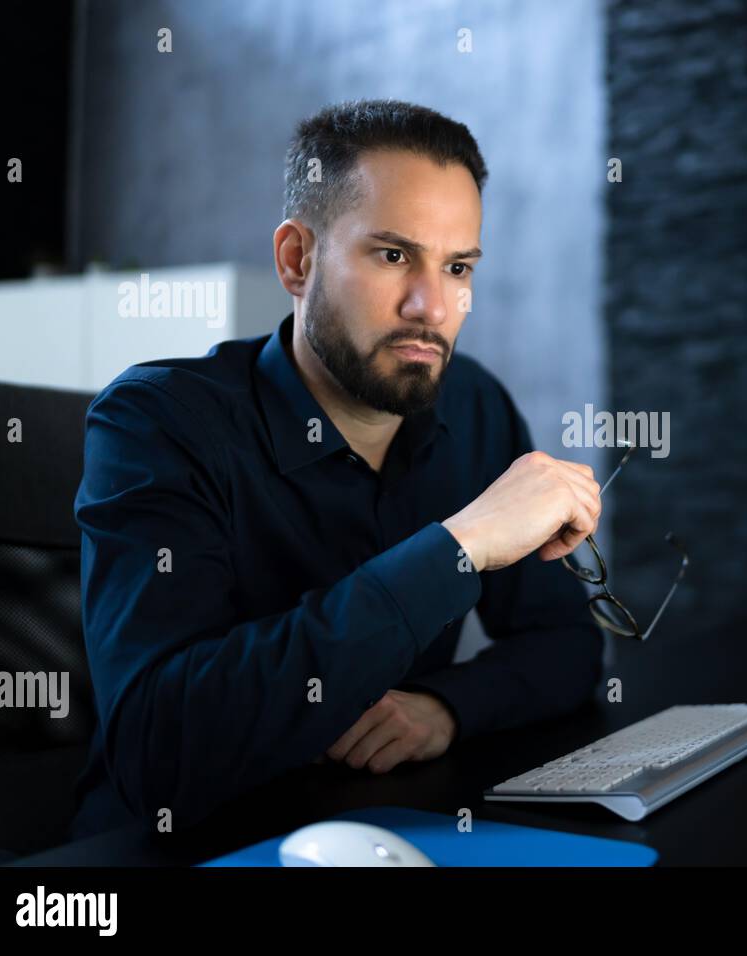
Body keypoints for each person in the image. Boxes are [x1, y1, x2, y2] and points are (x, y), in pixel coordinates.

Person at [69, 100, 604, 838]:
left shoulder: (474, 405)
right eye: (393, 256)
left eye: (457, 267)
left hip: (386, 828)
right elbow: (157, 746)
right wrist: (455, 550)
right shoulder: (156, 422)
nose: (431, 306)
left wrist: (448, 707)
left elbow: (569, 649)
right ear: (297, 260)